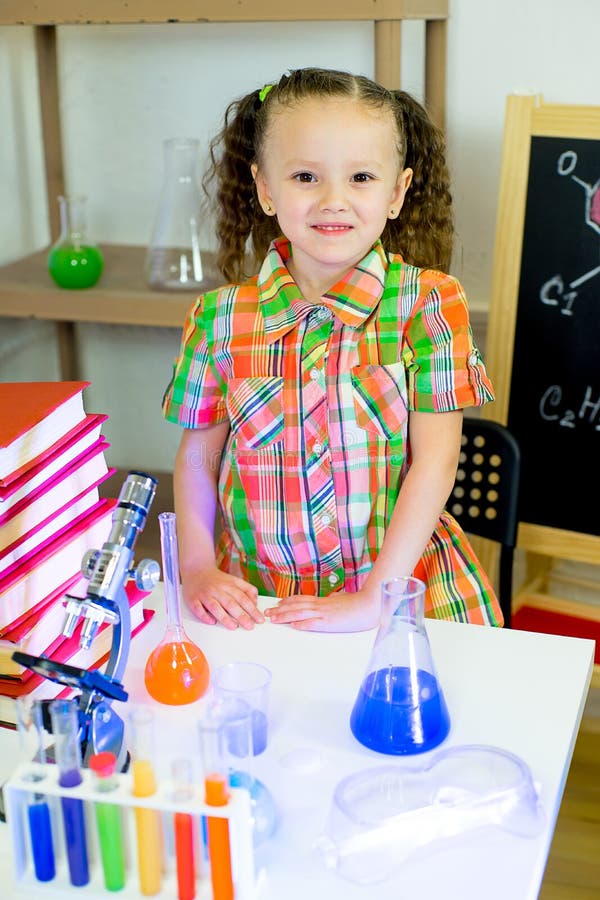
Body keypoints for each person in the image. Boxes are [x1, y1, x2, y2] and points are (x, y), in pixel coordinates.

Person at [162, 66, 502, 633]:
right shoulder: (219, 318)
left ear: (396, 192)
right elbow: (198, 459)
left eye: (362, 177)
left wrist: (377, 598)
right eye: (304, 176)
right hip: (261, 603)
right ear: (266, 189)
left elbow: (437, 463)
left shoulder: (430, 305)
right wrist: (195, 566)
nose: (334, 201)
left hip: (402, 592)